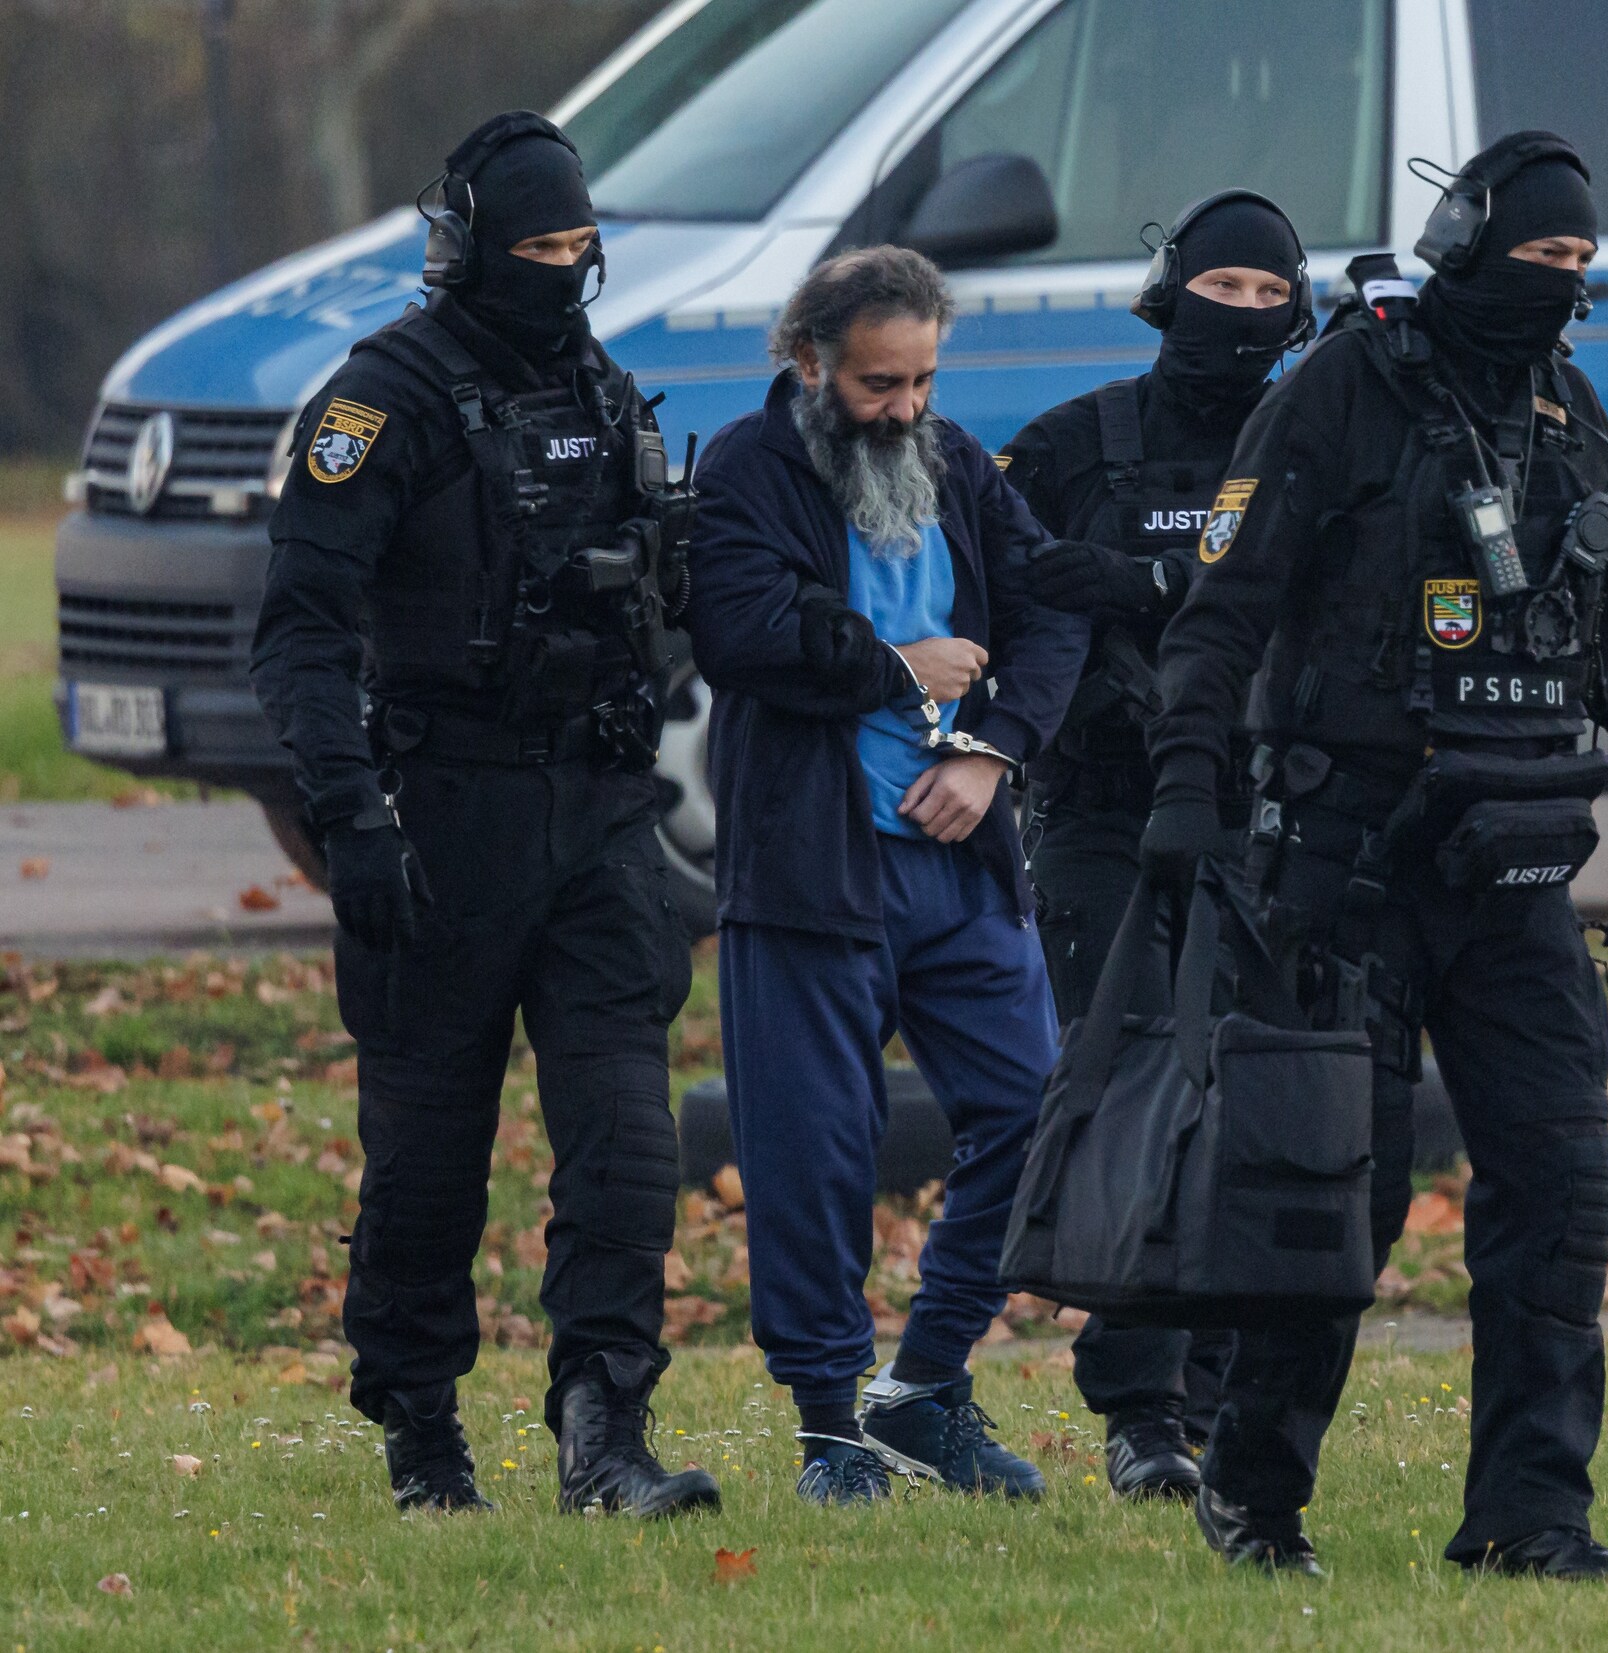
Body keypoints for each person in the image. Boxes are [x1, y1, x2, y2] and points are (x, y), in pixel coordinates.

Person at [1141, 132, 1608, 1579]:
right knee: (1339, 1195)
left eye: (1581, 268)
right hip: (1346, 860)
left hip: (1516, 866)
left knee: (1560, 1185)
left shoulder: (1569, 413)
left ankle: (1532, 1515)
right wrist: (1187, 788)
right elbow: (1221, 610)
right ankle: (1252, 1493)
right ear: (1464, 246)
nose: (1558, 289)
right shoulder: (1342, 390)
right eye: (1537, 258)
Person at [249, 112, 716, 1518]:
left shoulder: (604, 389)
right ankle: (422, 1438)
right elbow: (301, 635)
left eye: (581, 247)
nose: (562, 271)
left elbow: (672, 600)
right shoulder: (378, 401)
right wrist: (353, 821)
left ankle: (604, 1429)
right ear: (466, 249)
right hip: (439, 826)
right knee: (428, 1162)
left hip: (598, 811)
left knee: (631, 1141)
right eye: (536, 248)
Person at [685, 246, 1086, 1508]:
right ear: (807, 362)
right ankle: (827, 1431)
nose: (903, 407)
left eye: (918, 379)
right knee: (812, 1152)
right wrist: (898, 667)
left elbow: (1048, 610)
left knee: (1036, 1115)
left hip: (958, 862)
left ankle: (923, 1386)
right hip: (808, 868)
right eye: (875, 383)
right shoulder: (744, 470)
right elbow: (741, 629)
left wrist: (992, 748)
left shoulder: (959, 462)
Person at [995, 191, 1314, 1500]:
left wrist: (1167, 594)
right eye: (1221, 288)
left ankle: (1228, 1388)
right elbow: (987, 574)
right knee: (1127, 1096)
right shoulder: (1076, 445)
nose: (1242, 316)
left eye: (1267, 296)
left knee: (1255, 1099)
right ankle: (1138, 1411)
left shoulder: (1313, 437)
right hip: (1104, 814)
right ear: (1172, 290)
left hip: (1265, 812)